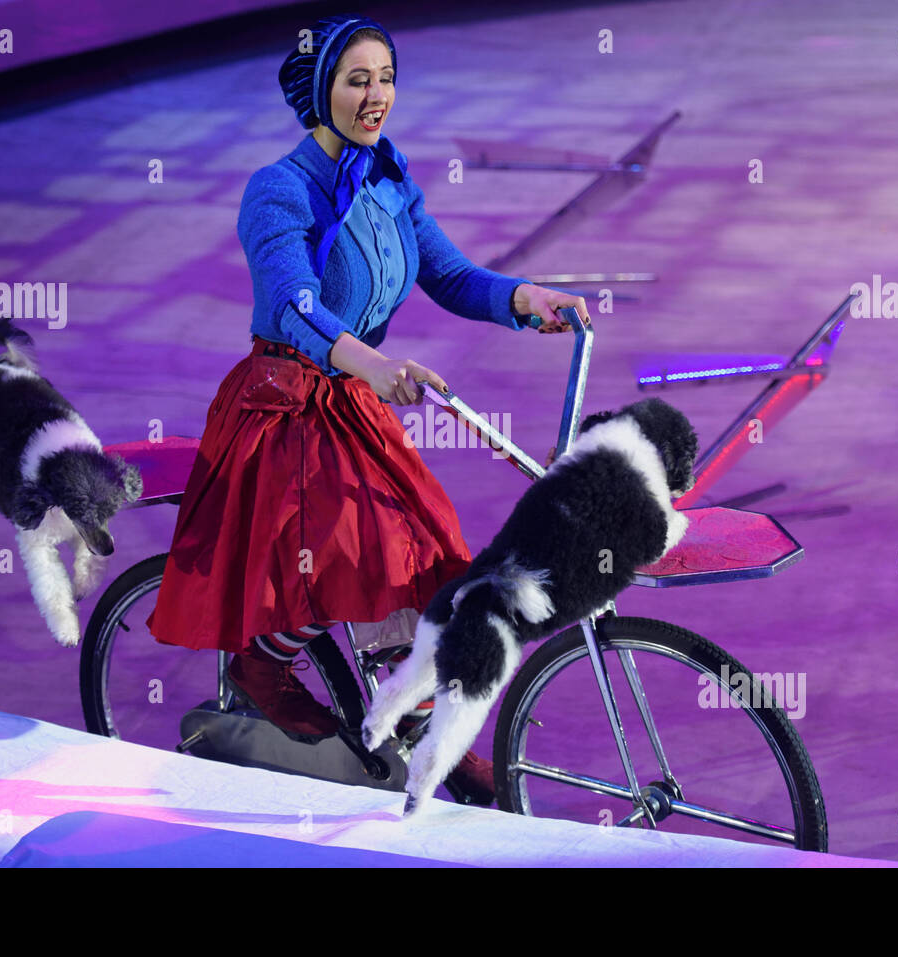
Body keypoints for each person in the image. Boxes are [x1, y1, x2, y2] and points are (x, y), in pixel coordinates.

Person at [146, 13, 590, 803]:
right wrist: (374, 362)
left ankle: (416, 729)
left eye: (386, 78)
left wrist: (525, 299)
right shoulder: (278, 190)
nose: (376, 95)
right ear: (321, 93)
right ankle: (261, 664)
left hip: (355, 399)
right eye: (357, 80)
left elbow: (450, 276)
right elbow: (293, 305)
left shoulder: (388, 177)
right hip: (285, 404)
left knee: (429, 559)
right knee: (364, 553)